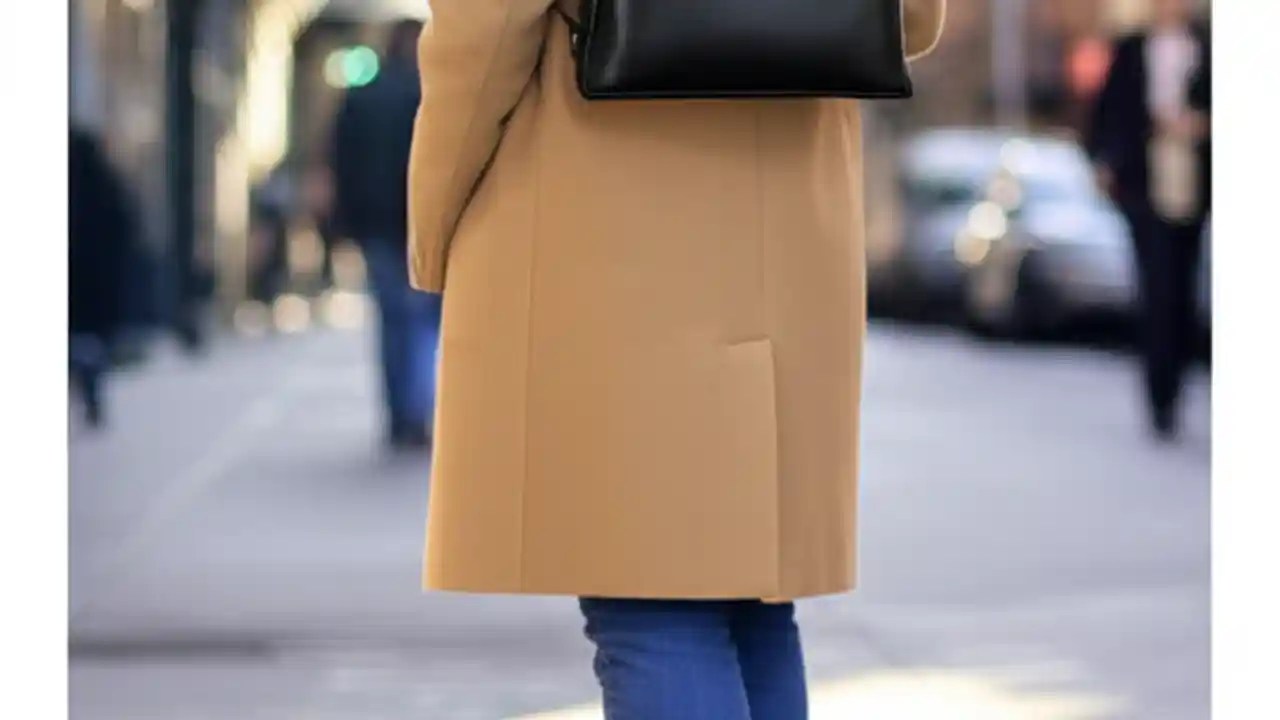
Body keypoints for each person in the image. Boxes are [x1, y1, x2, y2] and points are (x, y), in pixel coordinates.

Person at [404, 2, 946, 717]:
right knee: (747, 601)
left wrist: (434, 220)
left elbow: (489, 25)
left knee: (651, 606)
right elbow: (912, 22)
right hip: (789, 220)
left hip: (612, 205)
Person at [1088, 0, 1211, 441]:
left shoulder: (1208, 46)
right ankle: (1160, 396)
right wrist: (1105, 162)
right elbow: (1106, 113)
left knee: (1184, 290)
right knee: (1157, 288)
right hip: (1145, 182)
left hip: (1195, 181)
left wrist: (1199, 125)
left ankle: (1177, 384)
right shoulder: (1131, 49)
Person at [331, 20, 441, 451]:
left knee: (392, 322)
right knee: (424, 321)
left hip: (375, 226)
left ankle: (399, 414)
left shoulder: (361, 97)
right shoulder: (429, 93)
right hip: (418, 222)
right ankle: (419, 412)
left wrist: (344, 226)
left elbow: (340, 163)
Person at [69, 127, 134, 429]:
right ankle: (91, 392)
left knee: (80, 343)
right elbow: (125, 229)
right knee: (91, 345)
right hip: (98, 285)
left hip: (80, 282)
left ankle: (87, 389)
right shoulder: (107, 186)